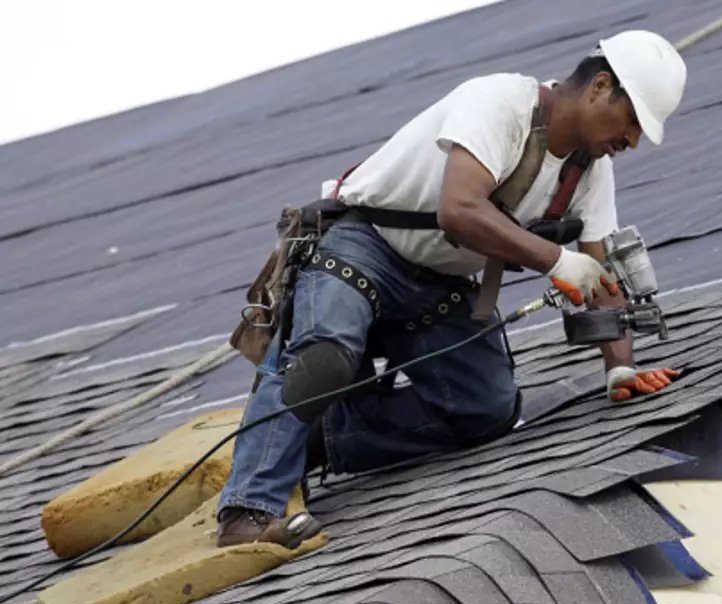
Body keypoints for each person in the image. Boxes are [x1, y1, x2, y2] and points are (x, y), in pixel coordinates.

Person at [216, 30, 688, 547]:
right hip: (362, 245)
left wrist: (618, 366)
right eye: (635, 122)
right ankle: (248, 513)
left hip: (438, 283)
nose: (633, 142)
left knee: (484, 411)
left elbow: (600, 277)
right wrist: (555, 259)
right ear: (601, 87)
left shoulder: (589, 173)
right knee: (323, 358)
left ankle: (319, 438)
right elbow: (459, 209)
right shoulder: (500, 103)